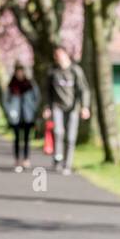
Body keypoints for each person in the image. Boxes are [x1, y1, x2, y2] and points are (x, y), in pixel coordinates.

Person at [46, 46, 90, 176]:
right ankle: (57, 158)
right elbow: (48, 92)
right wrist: (47, 107)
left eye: (60, 55)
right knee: (58, 132)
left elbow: (84, 89)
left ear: (66, 55)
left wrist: (85, 106)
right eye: (56, 55)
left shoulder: (75, 71)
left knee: (70, 137)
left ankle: (67, 164)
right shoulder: (53, 72)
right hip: (57, 106)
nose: (58, 58)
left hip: (73, 108)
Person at [3, 63, 40, 172]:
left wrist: (33, 108)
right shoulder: (11, 85)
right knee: (17, 138)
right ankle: (17, 159)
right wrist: (9, 111)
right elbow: (5, 100)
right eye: (18, 72)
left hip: (27, 115)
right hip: (15, 115)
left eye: (21, 72)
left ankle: (26, 159)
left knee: (27, 138)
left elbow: (37, 97)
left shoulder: (30, 84)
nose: (20, 74)